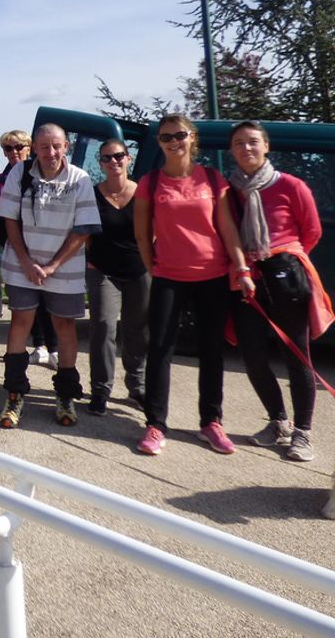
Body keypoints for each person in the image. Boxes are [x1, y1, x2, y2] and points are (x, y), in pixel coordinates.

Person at [133, 113, 254, 456]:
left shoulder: (212, 179)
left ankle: (211, 422)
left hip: (212, 276)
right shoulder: (150, 182)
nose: (174, 142)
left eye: (179, 135)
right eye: (166, 137)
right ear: (159, 143)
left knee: (211, 351)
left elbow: (227, 228)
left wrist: (242, 268)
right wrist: (154, 268)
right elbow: (141, 234)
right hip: (169, 277)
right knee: (160, 350)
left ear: (191, 138)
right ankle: (156, 425)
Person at [227, 121, 333, 461]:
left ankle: (303, 432)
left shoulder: (291, 186)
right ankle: (278, 421)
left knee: (297, 355)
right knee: (253, 356)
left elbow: (311, 231)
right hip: (246, 279)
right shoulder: (229, 191)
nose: (246, 148)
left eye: (253, 141)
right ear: (231, 150)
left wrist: (282, 258)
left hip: (285, 278)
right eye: (239, 143)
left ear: (266, 146)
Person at [0, 123, 100, 429]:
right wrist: (26, 261)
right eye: (44, 146)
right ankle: (14, 393)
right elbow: (10, 221)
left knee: (64, 327)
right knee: (20, 323)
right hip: (22, 266)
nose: (50, 152)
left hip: (64, 269)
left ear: (66, 146)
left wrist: (53, 266)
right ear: (35, 149)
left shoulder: (79, 178)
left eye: (56, 146)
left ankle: (65, 395)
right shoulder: (20, 174)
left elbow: (83, 229)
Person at [85, 139, 149, 415]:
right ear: (100, 163)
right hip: (103, 270)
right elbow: (86, 232)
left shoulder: (143, 192)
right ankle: (101, 389)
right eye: (107, 158)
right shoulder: (92, 194)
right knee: (103, 328)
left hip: (140, 270)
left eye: (119, 156)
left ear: (128, 159)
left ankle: (137, 386)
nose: (114, 161)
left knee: (138, 329)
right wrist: (91, 260)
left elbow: (152, 232)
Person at [0, 129, 57, 367]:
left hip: (41, 240)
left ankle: (54, 347)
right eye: (8, 148)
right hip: (15, 242)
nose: (14, 152)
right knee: (24, 301)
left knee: (47, 297)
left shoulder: (39, 172)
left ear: (29, 149)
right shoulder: (2, 178)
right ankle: (39, 345)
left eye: (19, 147)